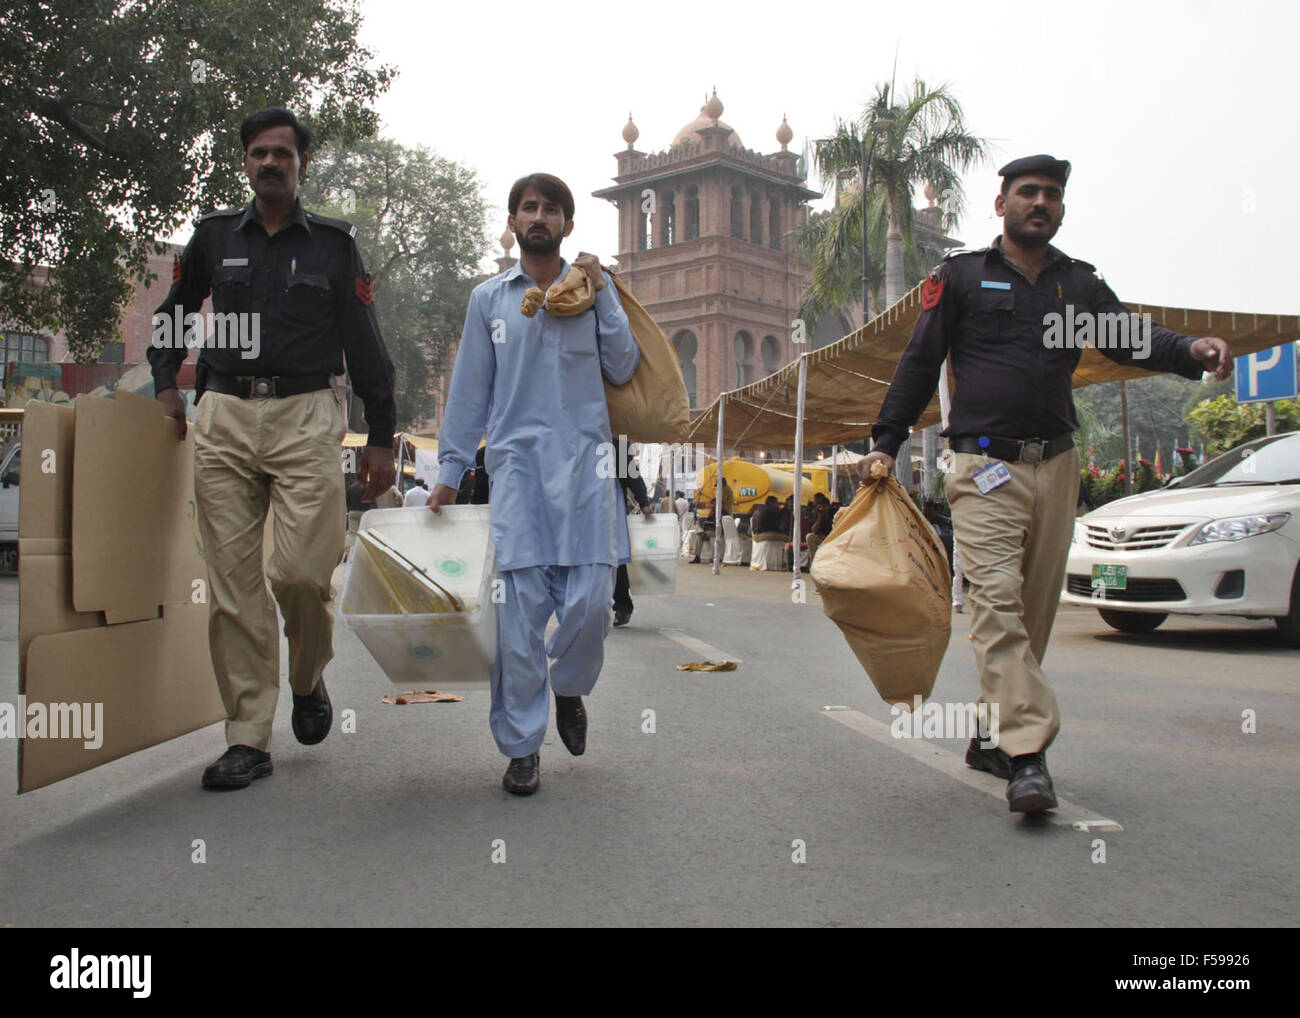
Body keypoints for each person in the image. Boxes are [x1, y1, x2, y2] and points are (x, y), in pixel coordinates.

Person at [860, 154, 1232, 813]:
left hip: (1056, 464)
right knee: (996, 604)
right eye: (1027, 192)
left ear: (1061, 209)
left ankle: (992, 735)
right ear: (1000, 203)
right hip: (983, 468)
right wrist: (884, 443)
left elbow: (1129, 338)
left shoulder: (1076, 286)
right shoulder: (963, 277)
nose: (1040, 202)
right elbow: (920, 363)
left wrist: (1190, 352)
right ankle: (1029, 755)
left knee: (1031, 616)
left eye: (1052, 195)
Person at [149, 107, 397, 790]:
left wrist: (381, 436)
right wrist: (167, 380)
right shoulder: (210, 238)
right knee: (233, 589)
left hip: (307, 414)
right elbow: (174, 309)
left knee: (298, 574)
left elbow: (366, 343)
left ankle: (308, 676)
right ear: (246, 164)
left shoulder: (334, 247)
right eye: (258, 154)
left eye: (281, 155)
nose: (269, 164)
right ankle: (248, 736)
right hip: (224, 412)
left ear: (302, 165)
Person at [429, 172, 639, 796]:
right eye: (528, 207)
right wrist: (447, 472)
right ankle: (522, 747)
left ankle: (569, 686)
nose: (539, 216)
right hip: (517, 473)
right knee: (517, 619)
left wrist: (601, 294)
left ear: (568, 225)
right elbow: (469, 392)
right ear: (514, 222)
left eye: (551, 208)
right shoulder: (489, 301)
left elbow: (623, 365)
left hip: (586, 471)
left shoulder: (594, 289)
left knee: (591, 603)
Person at [613, 445, 655, 627]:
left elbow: (633, 474)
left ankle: (622, 605)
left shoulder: (615, 443)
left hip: (610, 509)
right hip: (579, 511)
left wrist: (643, 501)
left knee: (616, 561)